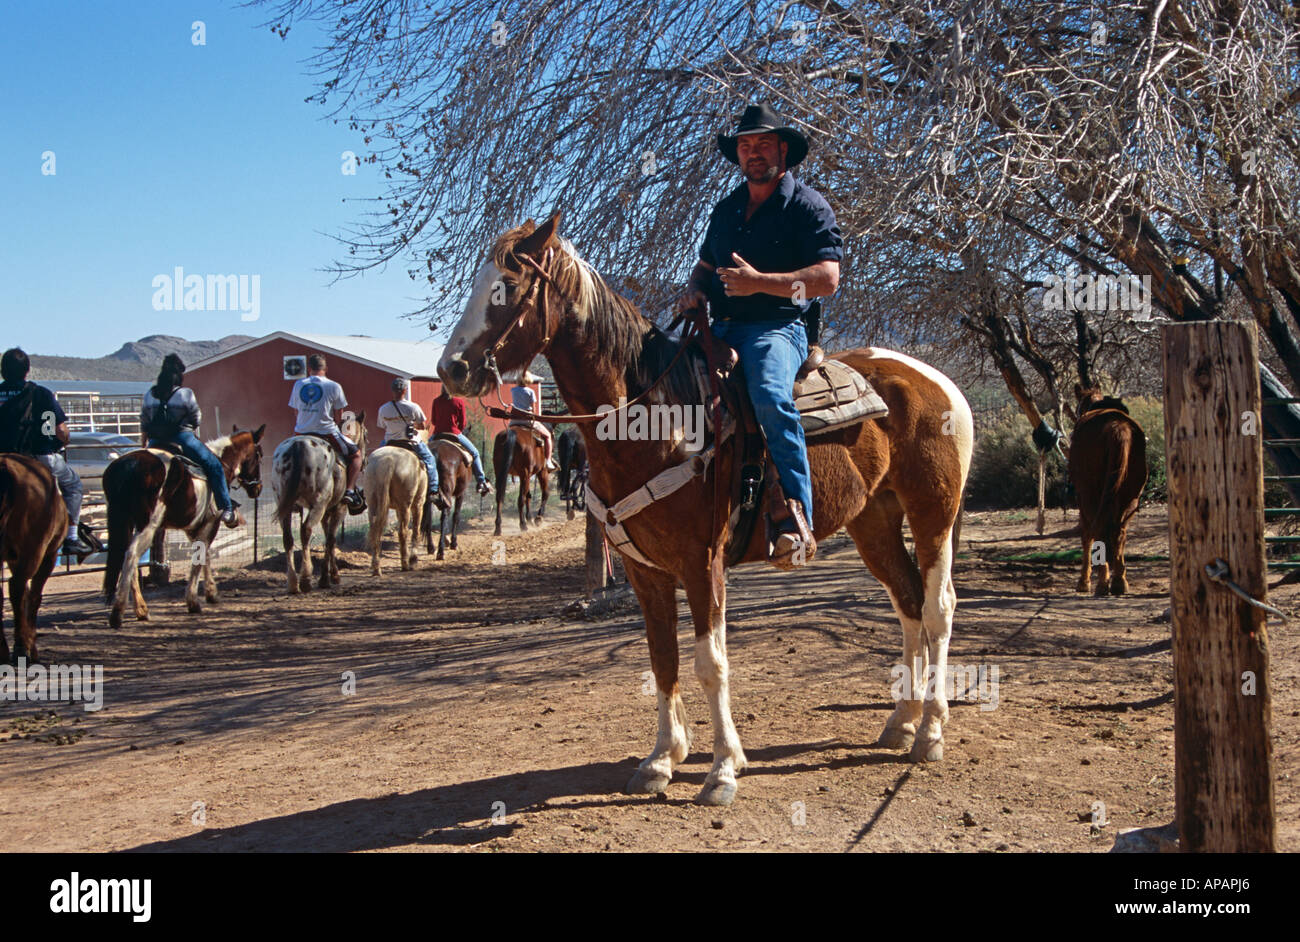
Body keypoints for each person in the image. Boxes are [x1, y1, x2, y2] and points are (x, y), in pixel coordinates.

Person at [676, 102, 844, 570]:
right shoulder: (726, 210)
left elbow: (827, 279)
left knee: (769, 395)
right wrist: (693, 292)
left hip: (778, 328)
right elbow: (707, 267)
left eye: (763, 143)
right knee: (664, 382)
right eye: (745, 145)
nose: (753, 152)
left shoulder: (808, 207)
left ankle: (796, 517)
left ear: (783, 150)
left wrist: (759, 283)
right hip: (720, 328)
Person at [0, 347, 93, 555]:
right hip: (38, 456)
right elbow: (55, 430)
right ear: (26, 371)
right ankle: (71, 537)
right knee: (73, 485)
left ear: (2, 371)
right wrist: (63, 441)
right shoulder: (40, 395)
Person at [140, 353, 241, 527]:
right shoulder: (185, 393)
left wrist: (144, 444)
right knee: (215, 466)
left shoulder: (150, 394)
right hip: (182, 437)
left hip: (155, 441)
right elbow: (196, 419)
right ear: (179, 375)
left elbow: (144, 421)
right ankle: (226, 509)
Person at [289, 354, 365, 512]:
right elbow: (339, 415)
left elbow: (296, 411)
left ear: (309, 369)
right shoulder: (334, 386)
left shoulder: (298, 384)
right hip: (326, 431)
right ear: (325, 369)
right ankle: (350, 490)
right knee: (356, 455)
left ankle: (291, 493)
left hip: (300, 432)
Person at [377, 377, 446, 511]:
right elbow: (421, 426)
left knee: (374, 458)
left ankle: (366, 490)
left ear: (392, 391)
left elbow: (382, 425)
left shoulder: (383, 409)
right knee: (429, 459)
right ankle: (433, 490)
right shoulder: (413, 407)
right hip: (410, 441)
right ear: (404, 390)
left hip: (389, 441)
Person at [430, 386, 492, 495]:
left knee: (421, 454)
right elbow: (463, 423)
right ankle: (481, 481)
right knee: (475, 453)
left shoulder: (436, 401)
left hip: (437, 434)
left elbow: (434, 421)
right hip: (454, 433)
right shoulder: (458, 402)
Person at [508, 381, 556, 471]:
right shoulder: (530, 392)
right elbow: (534, 411)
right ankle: (548, 461)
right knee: (547, 436)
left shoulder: (513, 390)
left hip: (514, 420)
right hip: (527, 420)